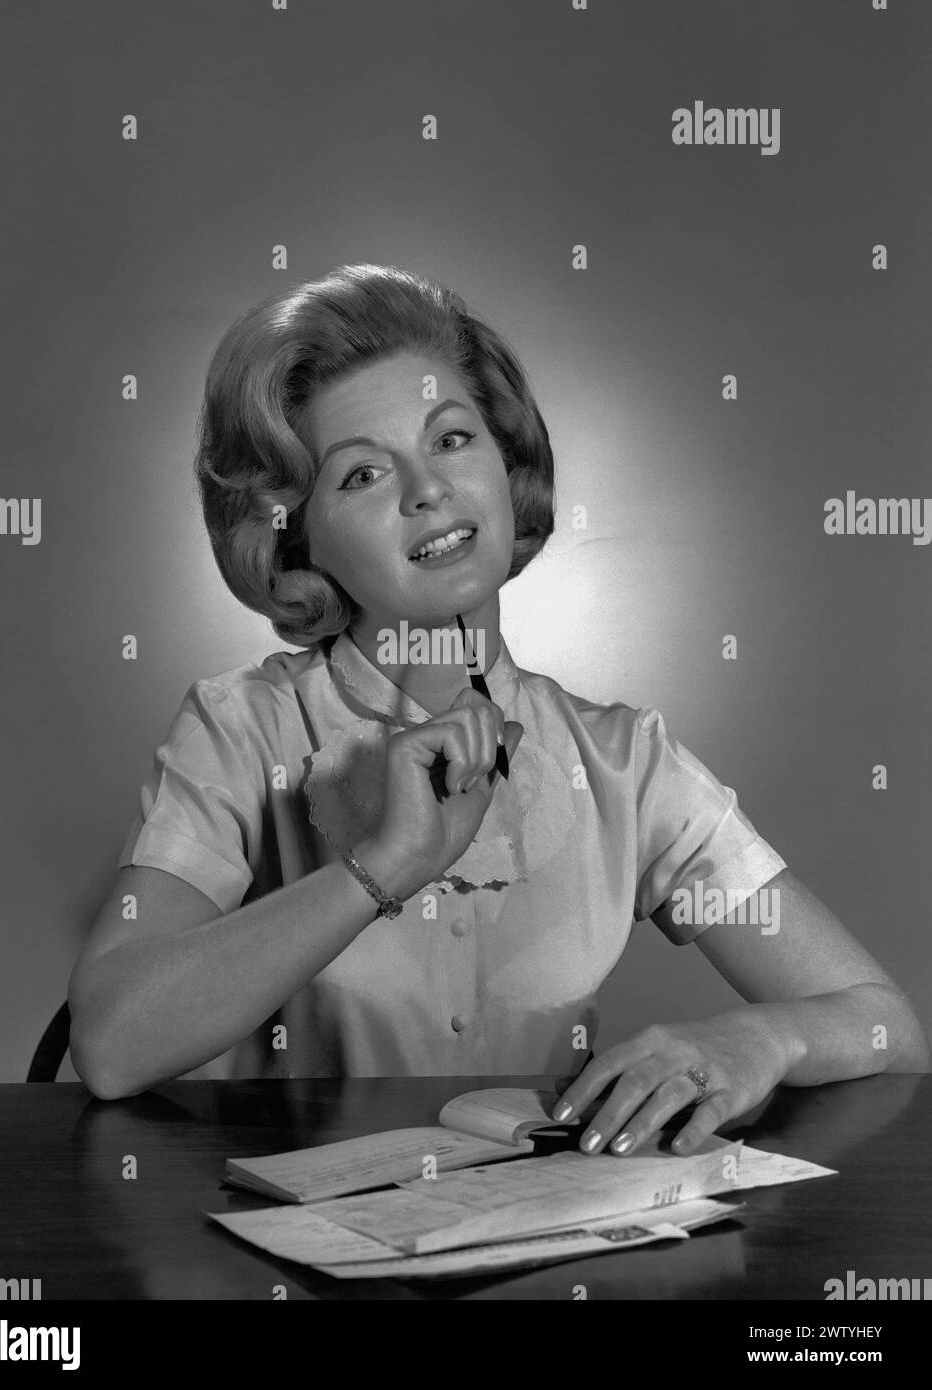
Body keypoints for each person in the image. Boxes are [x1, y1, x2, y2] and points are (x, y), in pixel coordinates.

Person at [68, 263, 930, 1158]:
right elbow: (110, 1043)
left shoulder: (623, 763)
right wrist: (378, 870)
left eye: (450, 439)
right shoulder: (240, 730)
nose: (426, 490)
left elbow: (883, 1027)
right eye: (361, 474)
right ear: (297, 539)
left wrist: (754, 1040)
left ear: (505, 462)